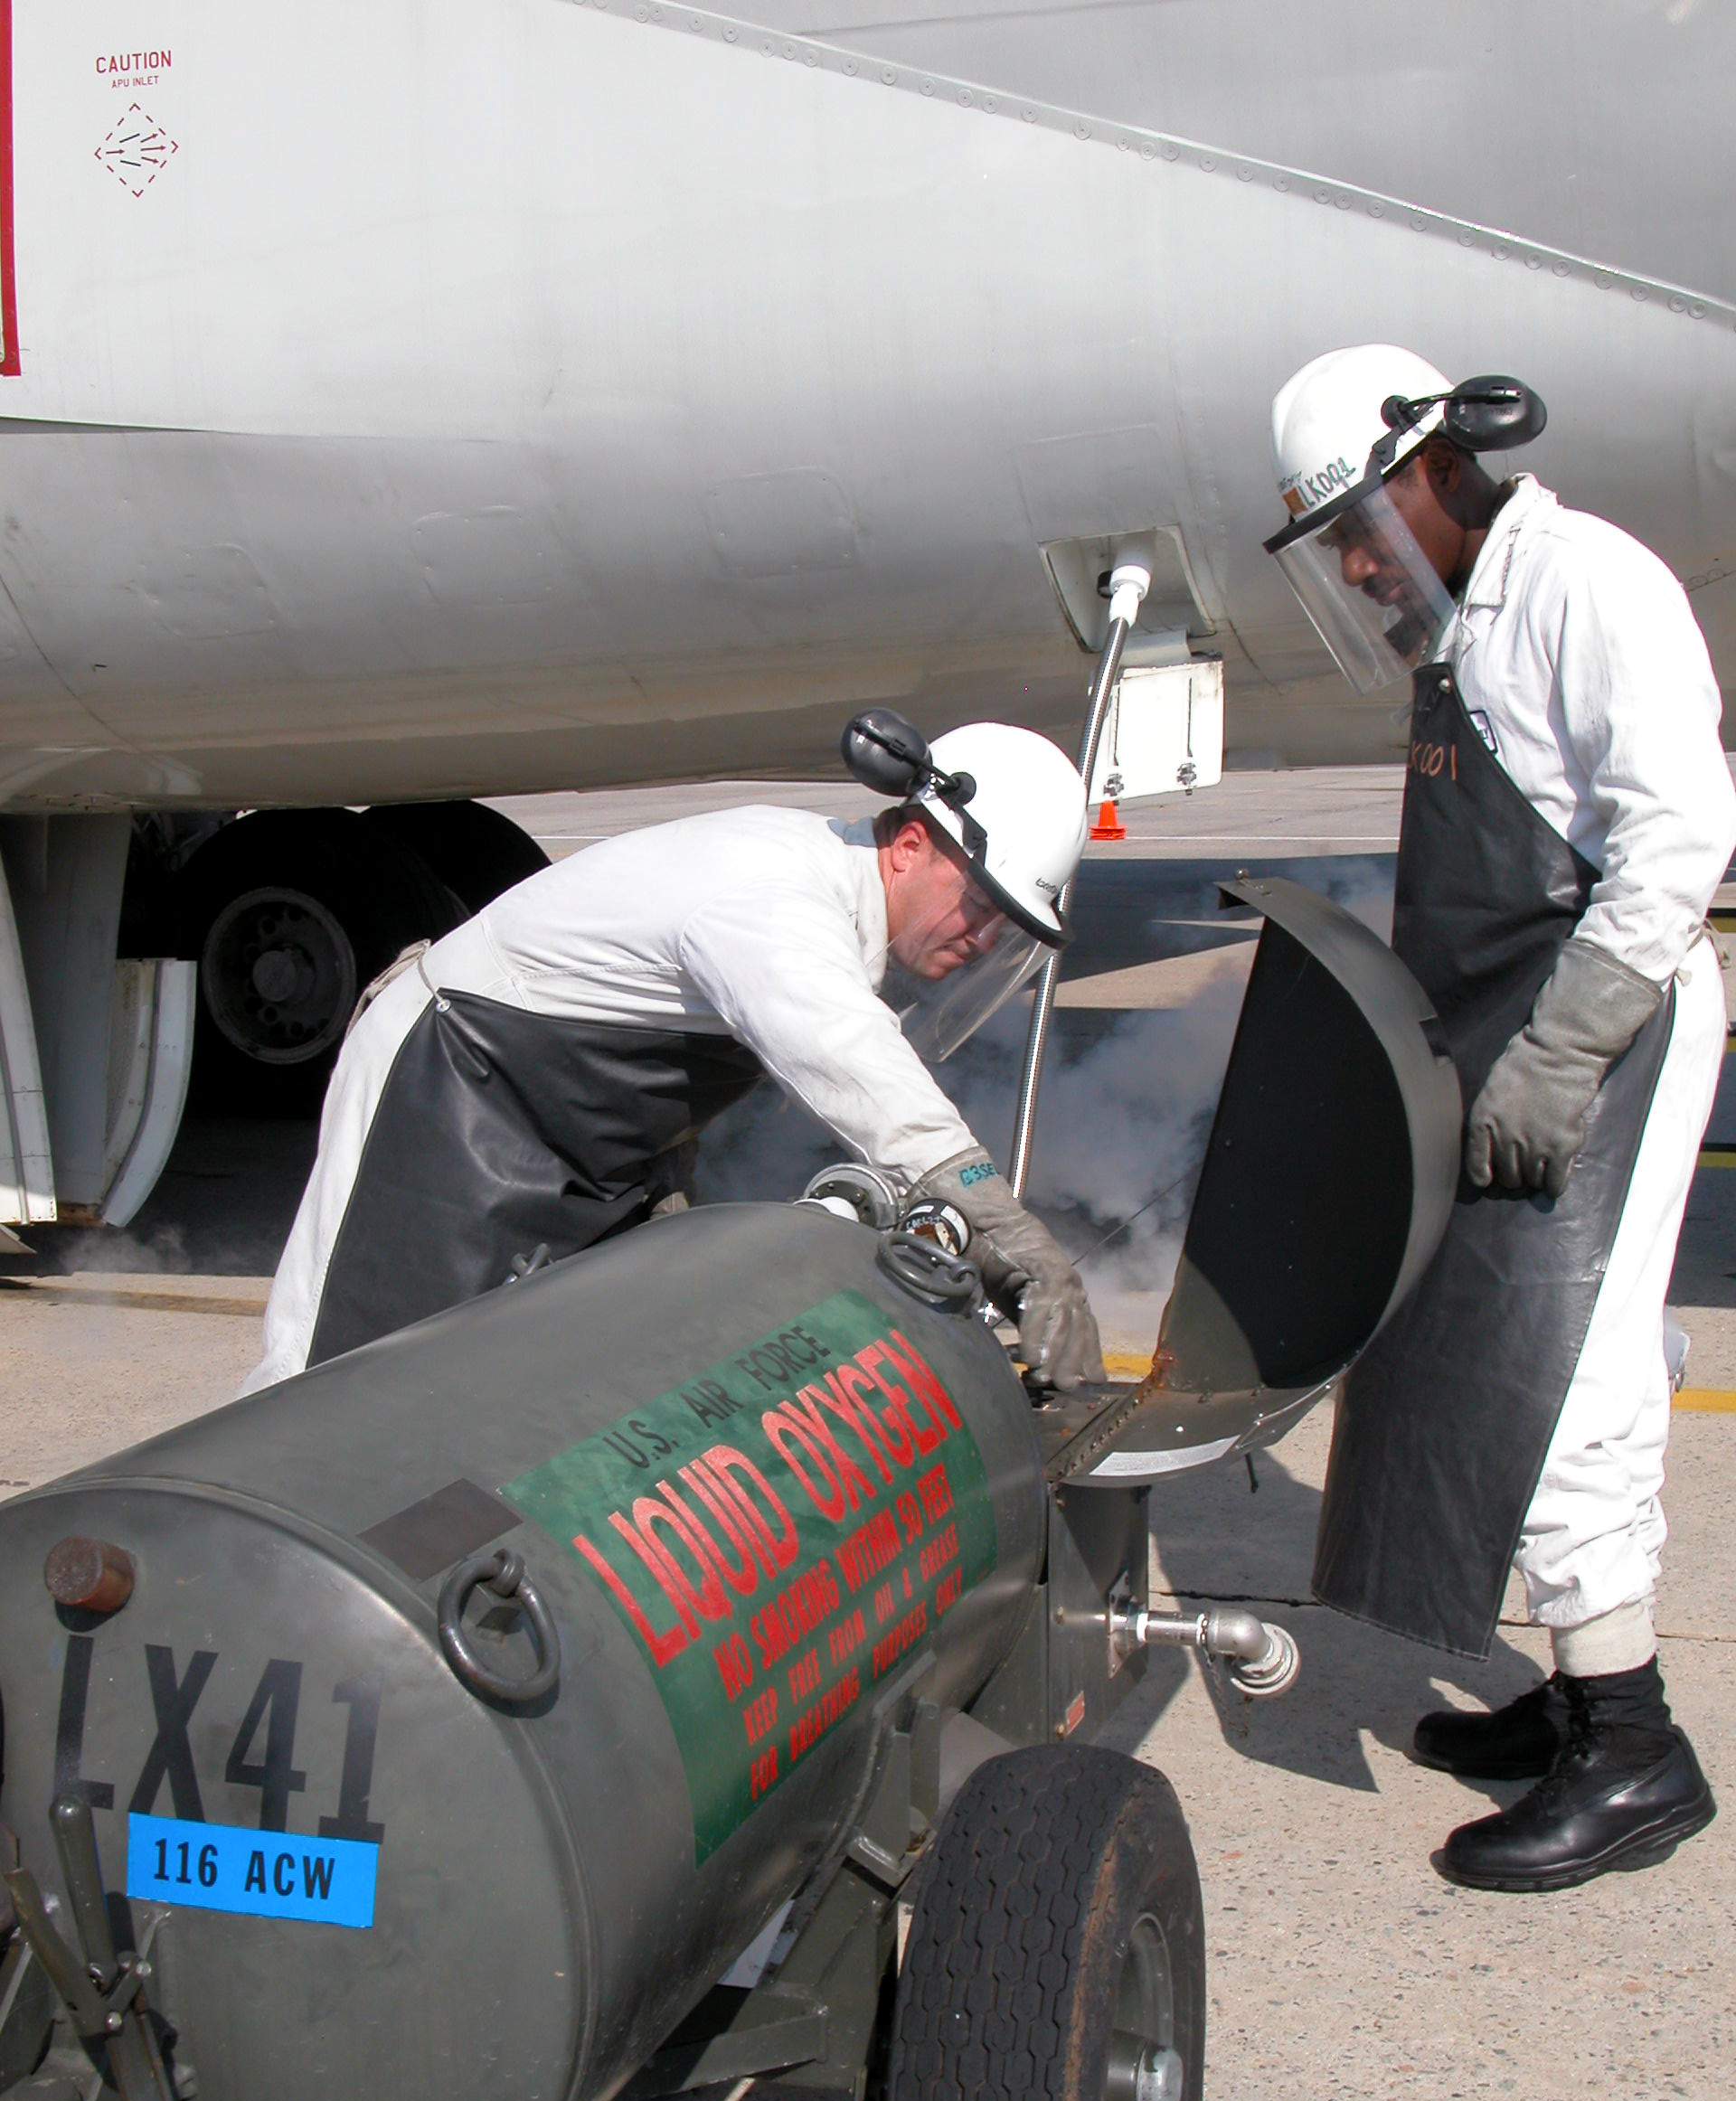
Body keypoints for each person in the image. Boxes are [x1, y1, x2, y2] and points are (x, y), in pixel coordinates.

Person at [1263, 344, 1734, 1891]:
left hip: (1612, 1024)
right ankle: (1576, 1690)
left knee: (1568, 1375)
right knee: (1481, 1363)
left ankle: (1635, 1750)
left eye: (1360, 518)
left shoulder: (1588, 581)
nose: (1352, 559)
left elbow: (1682, 832)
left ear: (1439, 467)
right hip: (1509, 1030)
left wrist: (1561, 1055)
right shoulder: (1463, 622)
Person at [245, 713, 1105, 1396]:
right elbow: (856, 1063)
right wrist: (1012, 1236)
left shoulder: (827, 898)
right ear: (912, 842)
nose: (985, 938)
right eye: (979, 904)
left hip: (561, 1126)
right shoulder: (774, 895)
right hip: (445, 1089)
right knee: (337, 1390)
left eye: (1007, 927)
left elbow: (645, 1037)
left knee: (510, 1406)